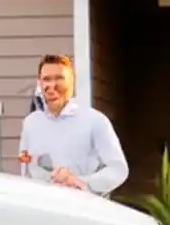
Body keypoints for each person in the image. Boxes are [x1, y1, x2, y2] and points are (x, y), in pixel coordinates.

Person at [18, 54, 128, 196]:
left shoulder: (95, 121)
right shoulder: (30, 123)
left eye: (59, 78)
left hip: (83, 210)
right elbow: (26, 171)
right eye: (46, 79)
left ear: (71, 82)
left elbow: (118, 170)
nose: (52, 85)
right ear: (39, 83)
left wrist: (80, 182)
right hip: (42, 209)